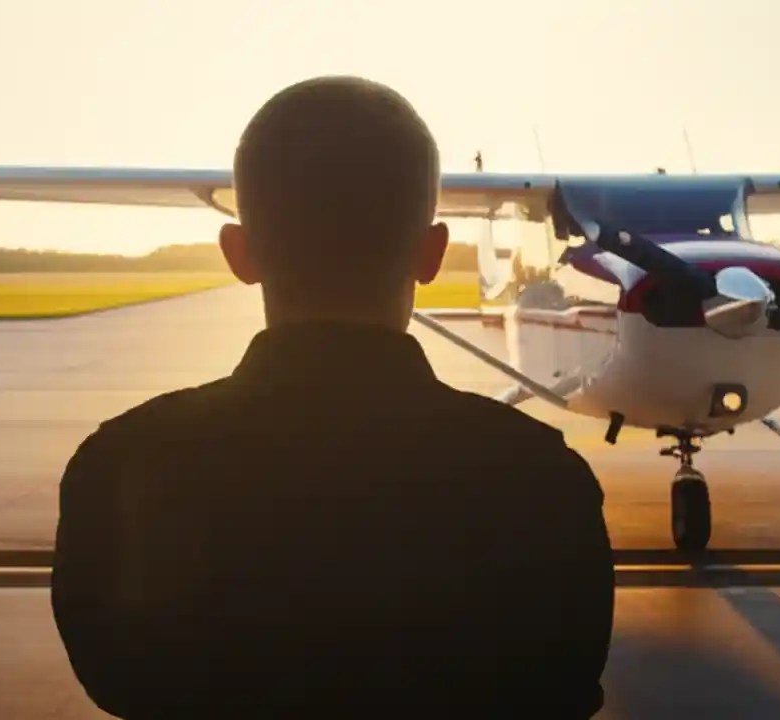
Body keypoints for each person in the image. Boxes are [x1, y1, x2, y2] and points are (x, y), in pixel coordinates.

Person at [51, 75, 615, 718]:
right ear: (432, 255)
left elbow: (115, 678)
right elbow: (562, 687)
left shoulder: (119, 465)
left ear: (238, 255)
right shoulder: (543, 481)